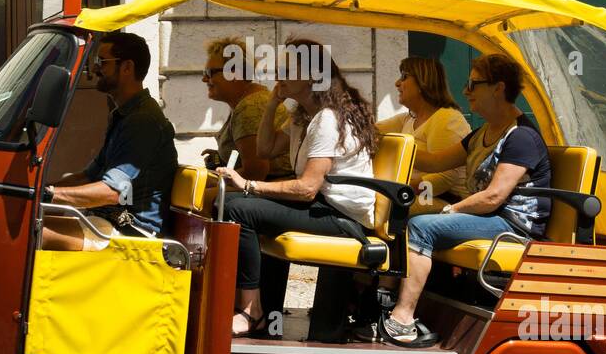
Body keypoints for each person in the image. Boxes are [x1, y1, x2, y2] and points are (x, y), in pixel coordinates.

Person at [354, 53, 551, 348]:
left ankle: (402, 319)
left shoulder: (520, 136)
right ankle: (380, 303)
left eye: (473, 83)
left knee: (422, 226)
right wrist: (382, 144)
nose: (465, 91)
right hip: (489, 218)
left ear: (498, 88)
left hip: (512, 226)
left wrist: (451, 209)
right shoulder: (483, 133)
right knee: (403, 217)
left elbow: (495, 196)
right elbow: (433, 162)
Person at [216, 39, 377, 337]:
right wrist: (274, 102)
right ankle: (271, 313)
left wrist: (249, 185)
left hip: (342, 218)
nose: (279, 74)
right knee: (233, 203)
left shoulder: (328, 119)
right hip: (321, 207)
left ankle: (253, 312)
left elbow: (307, 188)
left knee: (238, 208)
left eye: (287, 69)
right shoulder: (304, 117)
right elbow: (264, 150)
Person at [39, 32, 178, 250]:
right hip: (107, 221)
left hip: (133, 232)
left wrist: (50, 195)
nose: (94, 69)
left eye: (102, 62)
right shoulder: (124, 116)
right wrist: (39, 188)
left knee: (36, 234)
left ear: (127, 68)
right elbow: (87, 177)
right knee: (33, 224)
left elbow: (112, 192)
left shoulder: (142, 122)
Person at [376, 56, 470, 214]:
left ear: (422, 82)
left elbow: (444, 179)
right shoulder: (408, 118)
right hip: (418, 194)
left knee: (383, 209)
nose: (397, 83)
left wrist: (399, 189)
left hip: (447, 201)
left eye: (404, 77)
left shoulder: (446, 118)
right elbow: (369, 130)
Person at [200, 36, 292, 182]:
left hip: (271, 190)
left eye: (210, 73)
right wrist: (223, 156)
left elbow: (256, 173)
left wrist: (212, 180)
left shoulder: (250, 108)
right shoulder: (246, 102)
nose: (204, 79)